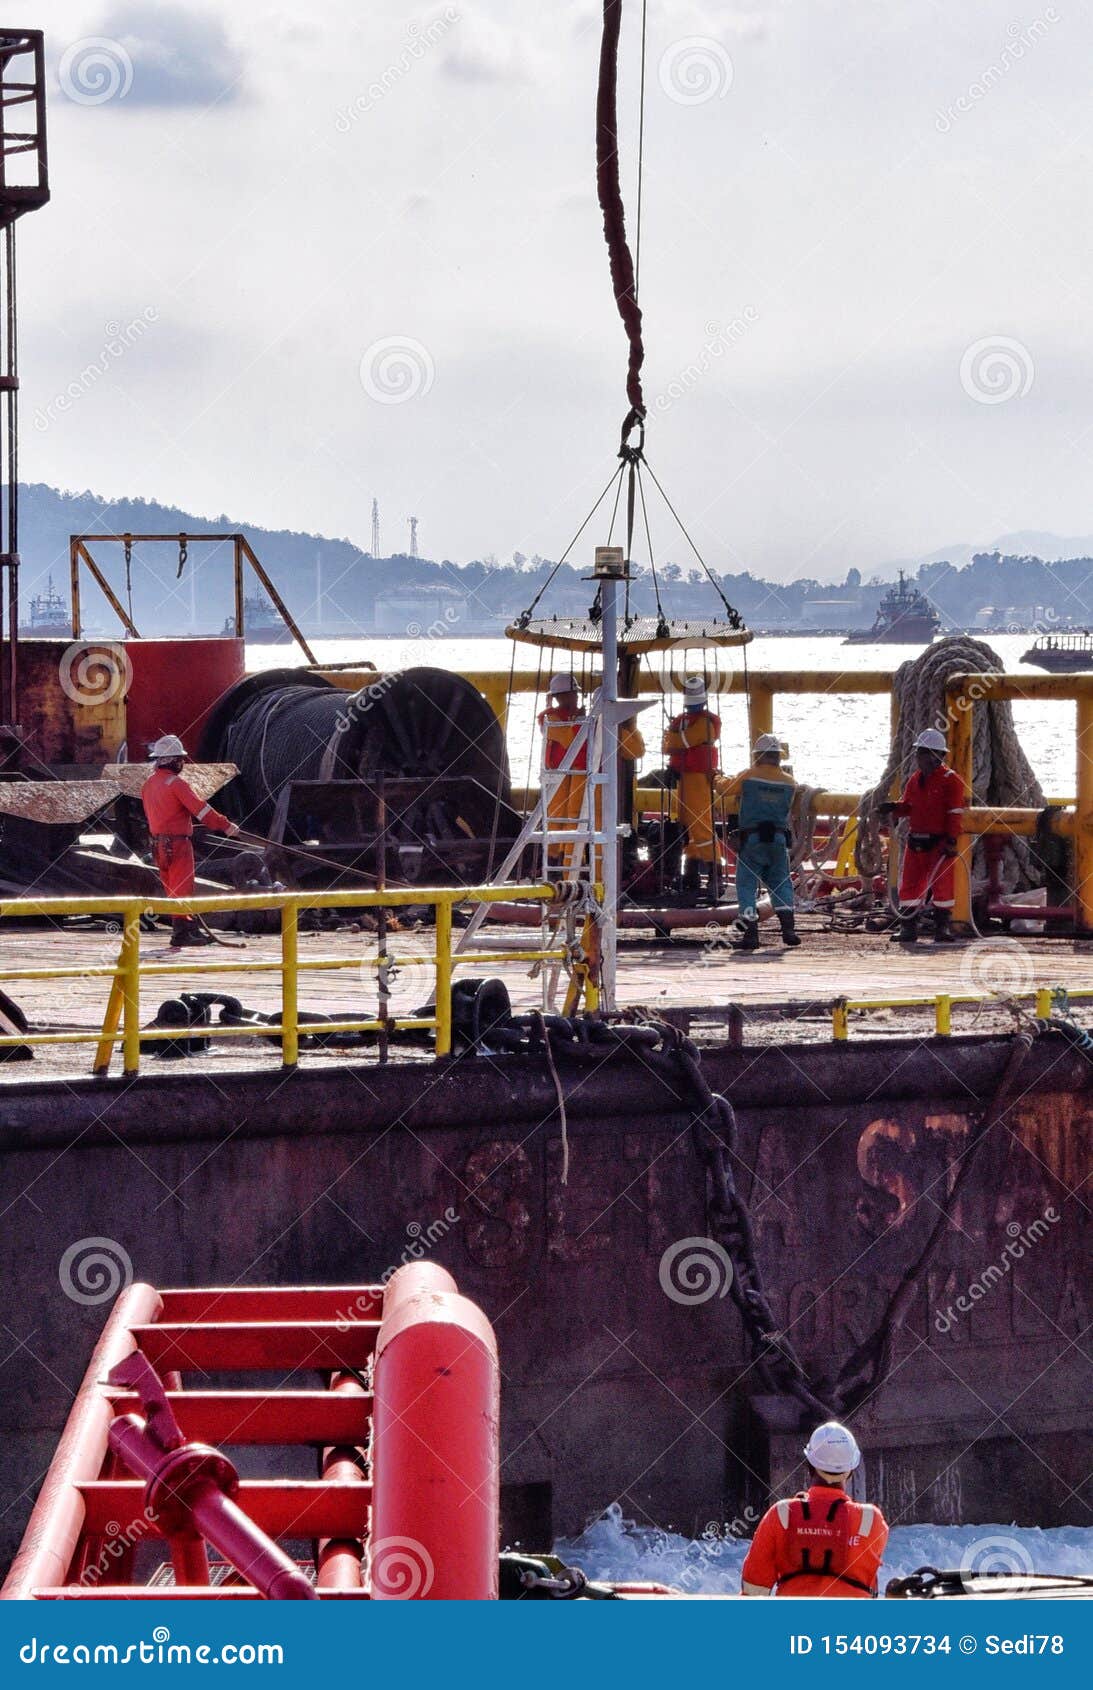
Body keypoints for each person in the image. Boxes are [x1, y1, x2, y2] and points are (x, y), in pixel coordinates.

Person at [740, 1421, 888, 1598]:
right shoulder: (871, 1520)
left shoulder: (780, 1514)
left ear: (809, 1465)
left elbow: (753, 1591)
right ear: (850, 1470)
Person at [141, 735, 238, 948]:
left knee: (171, 888)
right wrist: (225, 825)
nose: (183, 763)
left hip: (158, 845)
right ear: (173, 760)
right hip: (177, 844)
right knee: (182, 887)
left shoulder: (149, 784)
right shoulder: (176, 784)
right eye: (180, 759)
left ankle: (186, 929)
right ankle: (183, 933)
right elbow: (201, 810)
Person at [878, 726, 966, 944]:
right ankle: (908, 928)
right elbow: (909, 806)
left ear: (939, 756)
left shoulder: (952, 781)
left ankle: (942, 928)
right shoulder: (915, 780)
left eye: (925, 752)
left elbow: (955, 813)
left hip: (939, 843)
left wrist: (952, 840)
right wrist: (894, 808)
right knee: (910, 885)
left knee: (943, 887)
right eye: (919, 752)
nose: (920, 757)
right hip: (916, 840)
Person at [718, 732, 800, 950]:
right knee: (781, 882)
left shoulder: (749, 775)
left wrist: (716, 776)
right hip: (778, 839)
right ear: (779, 757)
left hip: (752, 838)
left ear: (757, 755)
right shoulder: (790, 782)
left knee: (745, 885)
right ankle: (789, 930)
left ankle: (751, 934)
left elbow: (724, 789)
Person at [663, 676, 722, 894]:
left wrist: (676, 741)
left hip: (698, 777)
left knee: (701, 825)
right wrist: (676, 742)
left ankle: (715, 876)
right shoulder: (681, 722)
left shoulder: (705, 723)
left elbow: (680, 742)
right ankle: (691, 873)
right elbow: (669, 746)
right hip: (683, 777)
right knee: (687, 825)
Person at [539, 674, 587, 868]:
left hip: (577, 772)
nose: (575, 697)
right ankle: (553, 861)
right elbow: (569, 739)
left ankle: (571, 862)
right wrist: (581, 722)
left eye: (575, 694)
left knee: (574, 816)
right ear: (561, 696)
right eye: (572, 694)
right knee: (556, 816)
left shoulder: (579, 717)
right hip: (558, 773)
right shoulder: (549, 718)